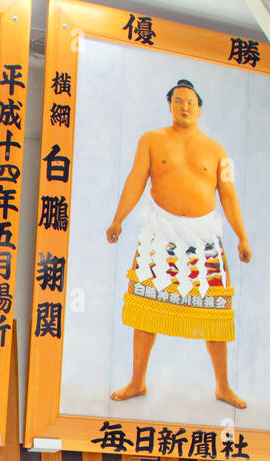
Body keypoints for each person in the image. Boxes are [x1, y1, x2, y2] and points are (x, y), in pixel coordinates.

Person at [106, 79, 253, 408]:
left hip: (204, 240)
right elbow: (135, 179)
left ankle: (223, 386)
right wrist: (119, 218)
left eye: (190, 101)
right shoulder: (152, 140)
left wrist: (242, 236)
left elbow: (228, 195)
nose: (184, 106)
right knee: (146, 311)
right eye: (177, 100)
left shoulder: (218, 151)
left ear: (199, 108)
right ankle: (138, 380)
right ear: (169, 105)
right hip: (161, 237)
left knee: (216, 314)